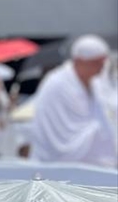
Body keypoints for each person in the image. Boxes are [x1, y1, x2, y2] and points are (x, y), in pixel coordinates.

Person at [31, 34, 118, 166]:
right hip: (59, 158)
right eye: (96, 62)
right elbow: (62, 131)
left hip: (91, 161)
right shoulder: (57, 83)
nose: (101, 67)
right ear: (79, 61)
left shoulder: (95, 82)